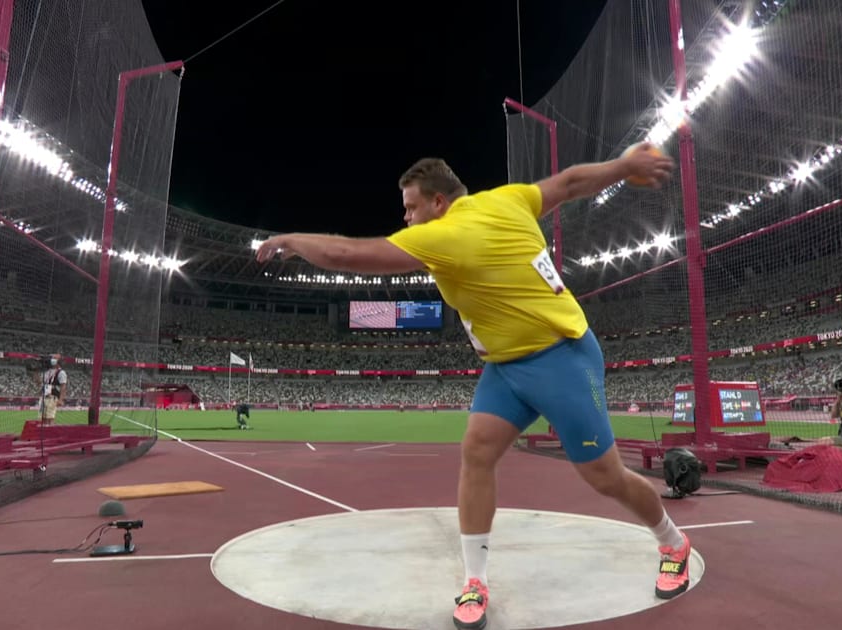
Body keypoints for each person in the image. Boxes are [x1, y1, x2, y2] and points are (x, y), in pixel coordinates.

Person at [257, 147, 683, 629]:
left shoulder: (447, 234)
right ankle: (475, 580)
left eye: (411, 206)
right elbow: (567, 184)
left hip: (561, 358)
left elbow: (348, 255)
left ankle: (672, 542)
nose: (405, 215)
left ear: (439, 202)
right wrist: (624, 168)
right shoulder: (507, 199)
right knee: (477, 452)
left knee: (605, 479)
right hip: (505, 367)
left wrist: (292, 239)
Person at [35, 353, 67, 426]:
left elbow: (63, 386)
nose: (52, 359)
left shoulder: (61, 372)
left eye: (55, 358)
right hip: (43, 397)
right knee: (42, 419)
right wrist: (35, 372)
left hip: (52, 397)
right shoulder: (47, 371)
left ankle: (49, 434)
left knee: (49, 420)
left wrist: (61, 399)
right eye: (52, 357)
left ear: (59, 361)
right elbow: (40, 383)